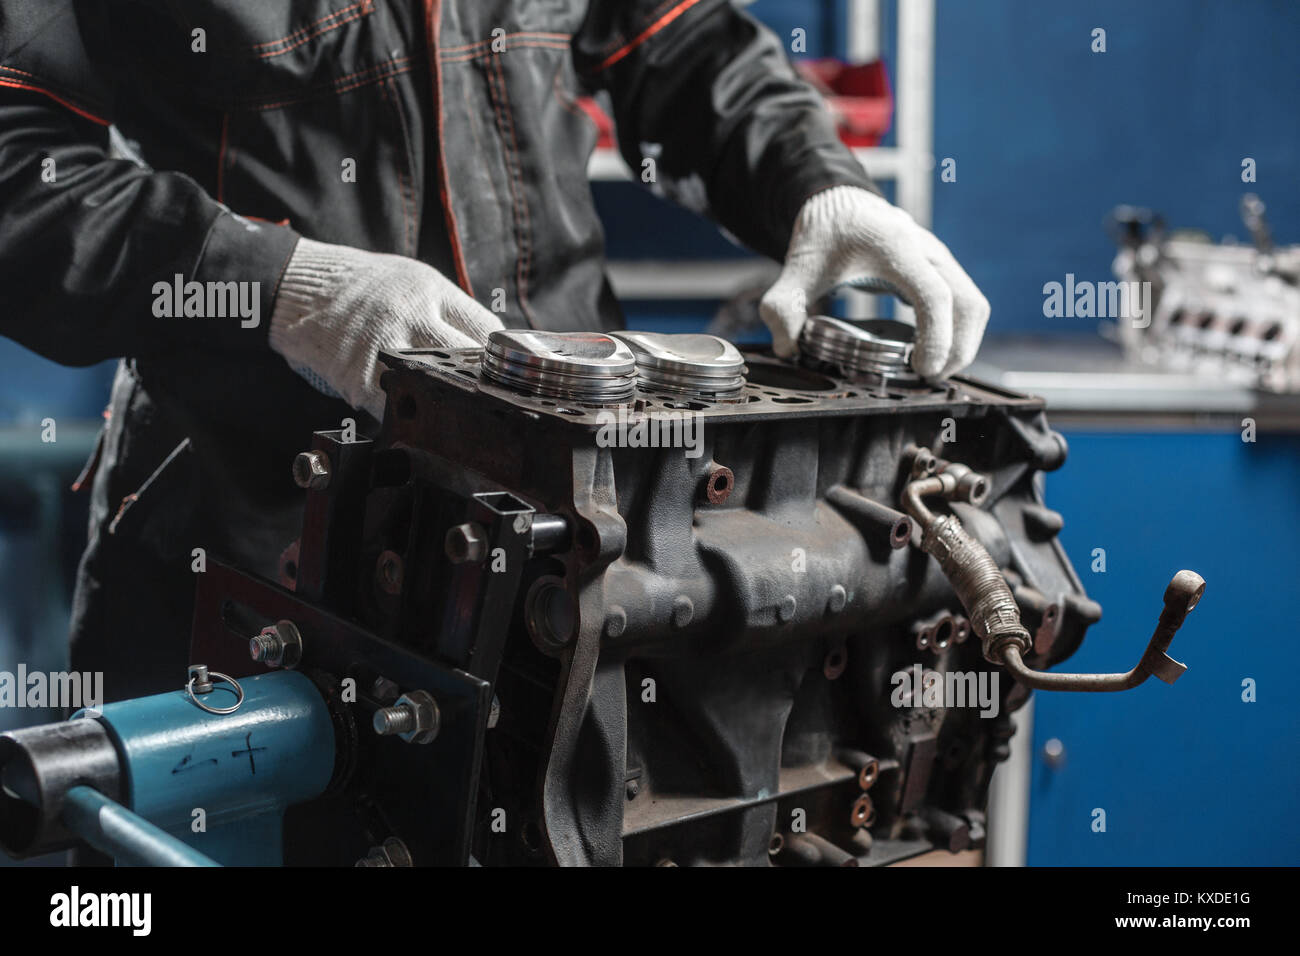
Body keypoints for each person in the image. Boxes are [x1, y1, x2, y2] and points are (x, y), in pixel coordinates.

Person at [0, 1, 989, 702]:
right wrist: (285, 287)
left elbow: (679, 42)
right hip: (251, 529)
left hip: (580, 530)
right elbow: (15, 167)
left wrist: (815, 183)